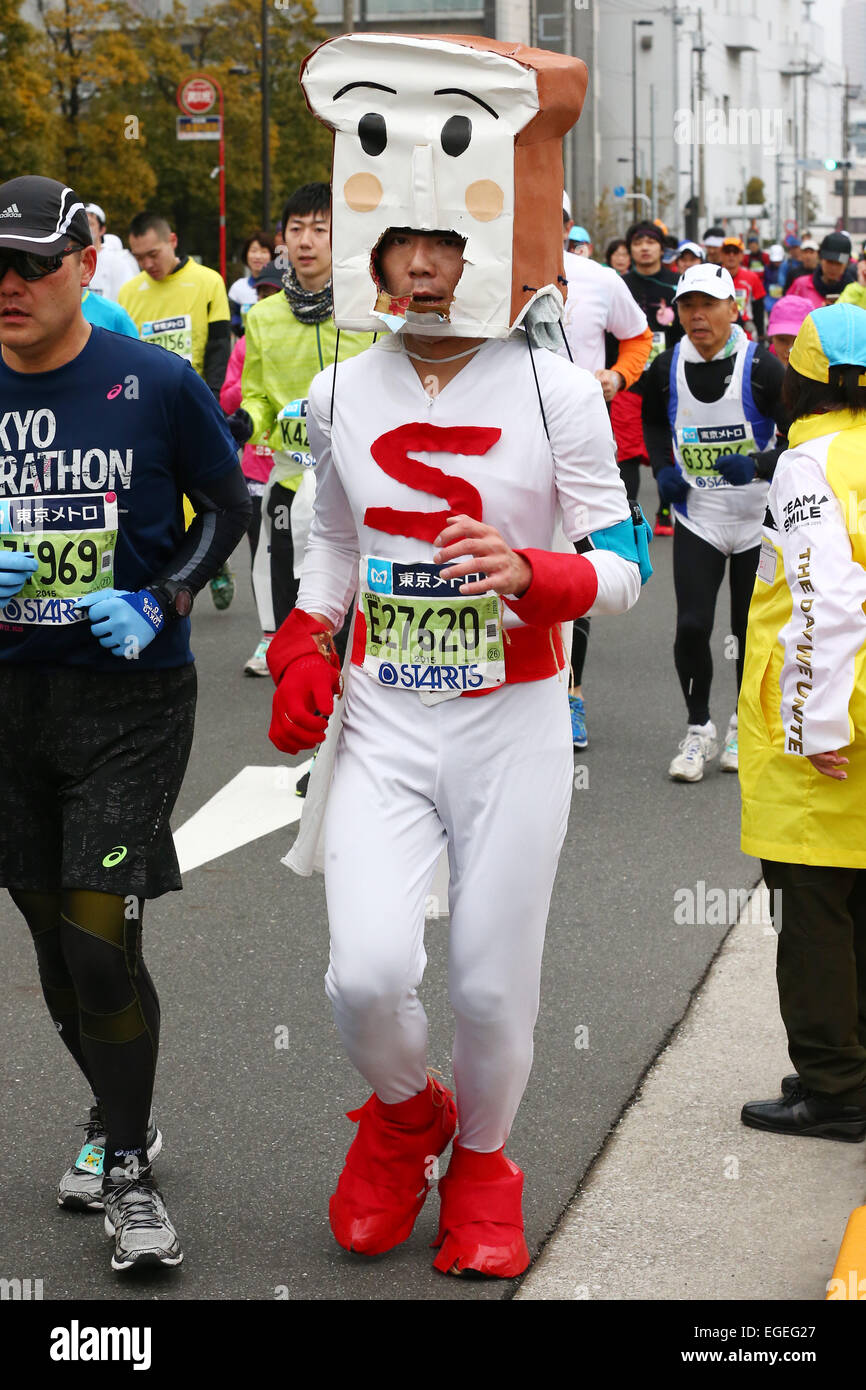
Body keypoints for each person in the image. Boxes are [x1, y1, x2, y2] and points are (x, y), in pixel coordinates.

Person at [283, 29, 645, 1280]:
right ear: (374, 248)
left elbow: (624, 566)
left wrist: (539, 574)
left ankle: (485, 1159)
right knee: (364, 975)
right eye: (404, 242)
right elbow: (327, 539)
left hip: (514, 721)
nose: (425, 264)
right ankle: (402, 1120)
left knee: (491, 992)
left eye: (446, 241)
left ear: (484, 246)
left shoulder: (555, 389)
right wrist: (302, 637)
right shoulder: (340, 391)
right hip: (384, 721)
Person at [0, 175, 251, 1270]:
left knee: (102, 936)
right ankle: (119, 1119)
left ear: (83, 265)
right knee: (56, 943)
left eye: (32, 265)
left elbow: (230, 505)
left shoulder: (151, 380)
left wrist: (162, 596)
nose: (9, 285)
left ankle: (131, 1180)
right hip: (9, 704)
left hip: (131, 703)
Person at [739, 304, 866, 1142]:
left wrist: (817, 721)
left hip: (824, 718)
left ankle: (835, 1087)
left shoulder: (805, 461)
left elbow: (829, 591)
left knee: (815, 907)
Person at [641, 263, 789, 780]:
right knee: (691, 627)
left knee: (746, 632)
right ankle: (698, 727)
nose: (697, 316)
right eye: (687, 306)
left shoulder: (762, 367)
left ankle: (741, 729)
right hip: (698, 516)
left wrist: (758, 464)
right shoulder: (667, 365)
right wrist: (662, 469)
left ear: (733, 308)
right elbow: (654, 418)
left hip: (757, 519)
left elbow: (799, 439)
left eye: (708, 305)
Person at [233, 183, 370, 676]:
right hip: (290, 477)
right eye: (296, 230)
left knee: (361, 597)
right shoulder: (263, 316)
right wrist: (247, 421)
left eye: (319, 229)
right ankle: (299, 688)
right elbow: (257, 395)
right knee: (288, 584)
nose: (306, 241)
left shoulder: (367, 309)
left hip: (361, 478)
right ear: (282, 240)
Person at [560, 238, 652, 748]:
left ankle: (571, 694)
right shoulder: (487, 270)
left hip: (582, 447)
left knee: (581, 568)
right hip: (506, 447)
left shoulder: (597, 278)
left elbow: (639, 337)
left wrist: (618, 376)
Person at [119, 212, 235, 610]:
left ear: (173, 239)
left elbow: (221, 344)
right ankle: (168, 578)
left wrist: (214, 400)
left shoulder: (208, 281)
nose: (147, 264)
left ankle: (214, 562)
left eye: (152, 254)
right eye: (138, 258)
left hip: (198, 403)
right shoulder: (130, 292)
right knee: (164, 498)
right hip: (148, 410)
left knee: (210, 498)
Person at [219, 261, 289, 675]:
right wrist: (255, 395)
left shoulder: (312, 334)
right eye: (260, 295)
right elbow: (230, 397)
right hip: (255, 471)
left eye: (273, 293)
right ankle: (268, 638)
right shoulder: (248, 341)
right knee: (263, 558)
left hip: (297, 470)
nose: (266, 302)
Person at [619, 220, 685, 535]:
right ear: (630, 249)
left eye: (651, 241)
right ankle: (629, 513)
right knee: (627, 452)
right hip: (628, 380)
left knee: (669, 450)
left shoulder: (677, 283)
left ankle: (664, 511)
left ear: (661, 247)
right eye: (638, 241)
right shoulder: (618, 283)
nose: (644, 247)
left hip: (670, 380)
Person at [786, 232, 857, 308]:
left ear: (846, 264)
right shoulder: (801, 285)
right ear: (821, 259)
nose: (833, 267)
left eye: (838, 263)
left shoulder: (856, 292)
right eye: (829, 262)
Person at [84, 203, 137, 302]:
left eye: (90, 223)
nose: (85, 228)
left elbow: (129, 298)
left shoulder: (117, 262)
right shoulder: (72, 259)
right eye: (82, 223)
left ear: (102, 230)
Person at [227, 230, 276, 337]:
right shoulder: (238, 288)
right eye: (253, 251)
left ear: (272, 256)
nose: (258, 256)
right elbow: (232, 318)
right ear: (246, 254)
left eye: (263, 252)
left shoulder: (280, 287)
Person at [719, 236, 766, 339]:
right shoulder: (713, 276)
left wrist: (761, 334)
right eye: (727, 251)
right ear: (721, 255)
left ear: (741, 255)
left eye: (735, 252)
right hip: (719, 328)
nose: (731, 255)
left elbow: (759, 308)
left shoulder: (752, 277)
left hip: (745, 330)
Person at [765, 294, 810, 368]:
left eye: (798, 341)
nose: (790, 349)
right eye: (782, 340)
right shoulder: (760, 368)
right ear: (772, 338)